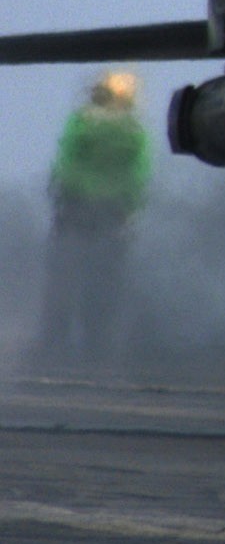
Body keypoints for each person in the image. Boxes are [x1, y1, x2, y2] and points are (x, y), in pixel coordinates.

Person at [37, 71, 153, 361]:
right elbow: (139, 174)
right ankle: (96, 344)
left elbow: (67, 160)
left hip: (76, 208)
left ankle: (54, 342)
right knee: (103, 280)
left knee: (64, 277)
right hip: (113, 213)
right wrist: (131, 208)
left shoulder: (83, 121)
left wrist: (60, 193)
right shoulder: (134, 130)